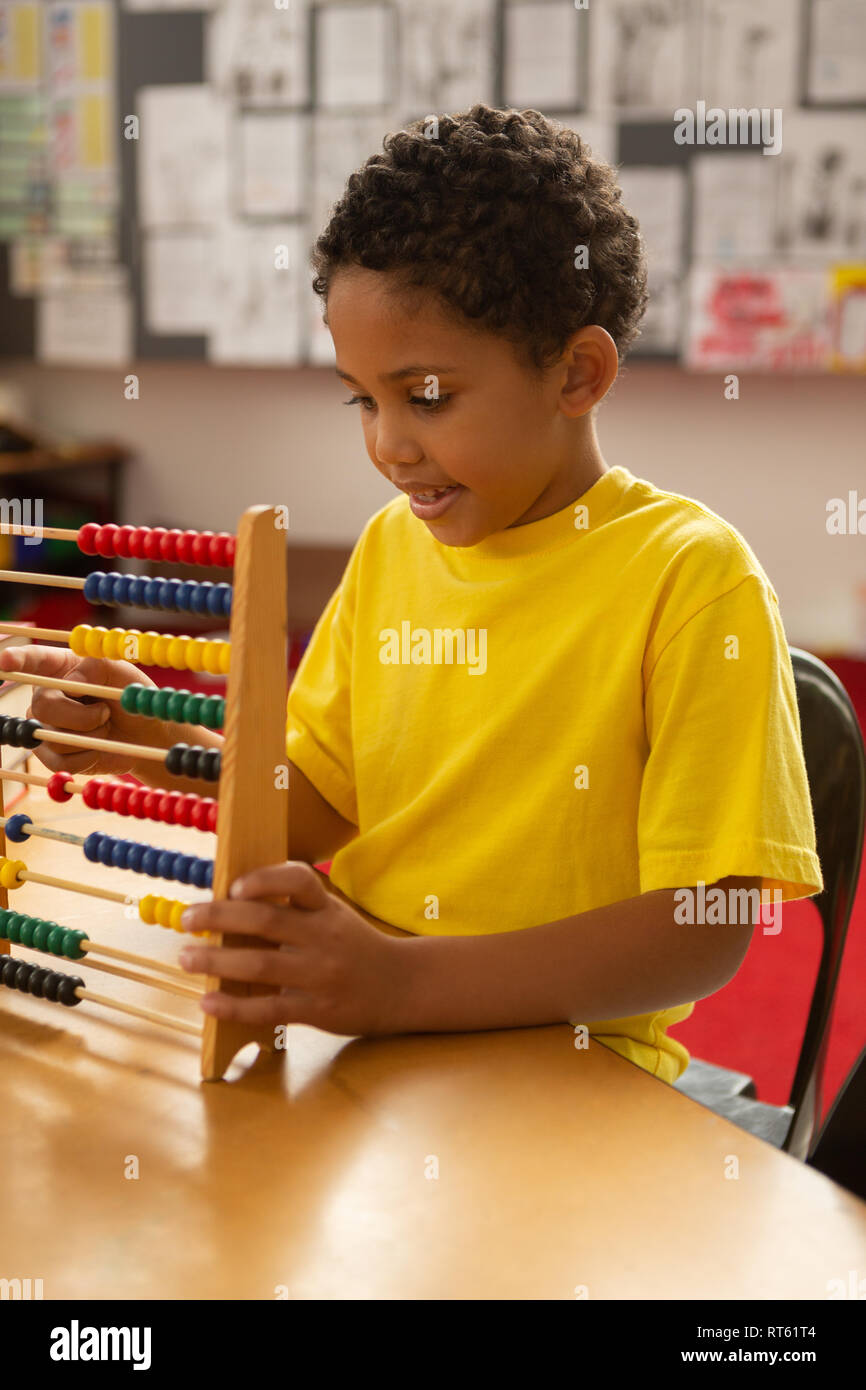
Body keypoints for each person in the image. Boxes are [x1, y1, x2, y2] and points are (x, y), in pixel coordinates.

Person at [1, 106, 822, 1082]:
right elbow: (303, 810)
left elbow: (706, 929)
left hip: (566, 1072)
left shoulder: (690, 580)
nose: (388, 444)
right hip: (362, 1034)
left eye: (425, 394)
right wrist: (136, 721)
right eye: (363, 397)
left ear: (577, 372)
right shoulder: (394, 547)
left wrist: (402, 984)